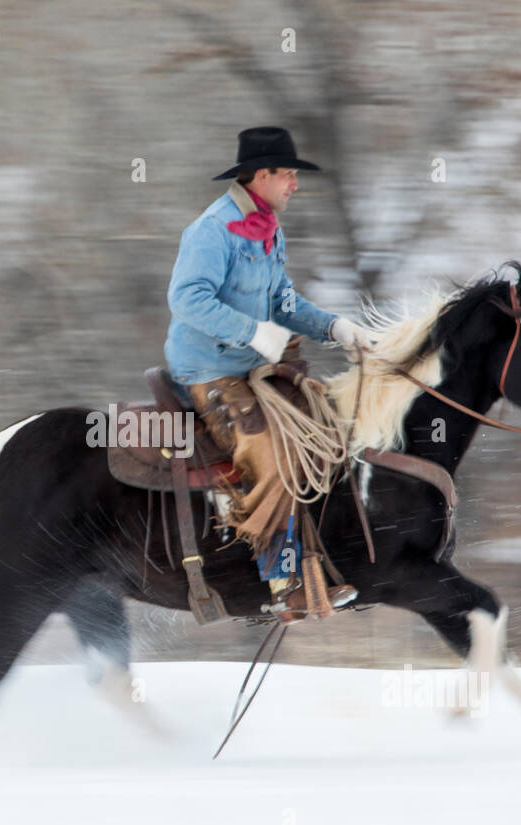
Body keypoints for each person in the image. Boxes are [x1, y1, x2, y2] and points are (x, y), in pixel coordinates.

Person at [165, 126, 373, 622]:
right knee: (272, 452)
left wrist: (336, 328)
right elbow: (186, 299)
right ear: (262, 175)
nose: (295, 185)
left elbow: (282, 301)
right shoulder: (212, 230)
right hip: (209, 370)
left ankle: (322, 555)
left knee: (327, 427)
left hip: (250, 366)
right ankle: (283, 581)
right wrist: (253, 333)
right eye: (289, 175)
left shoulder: (266, 229)